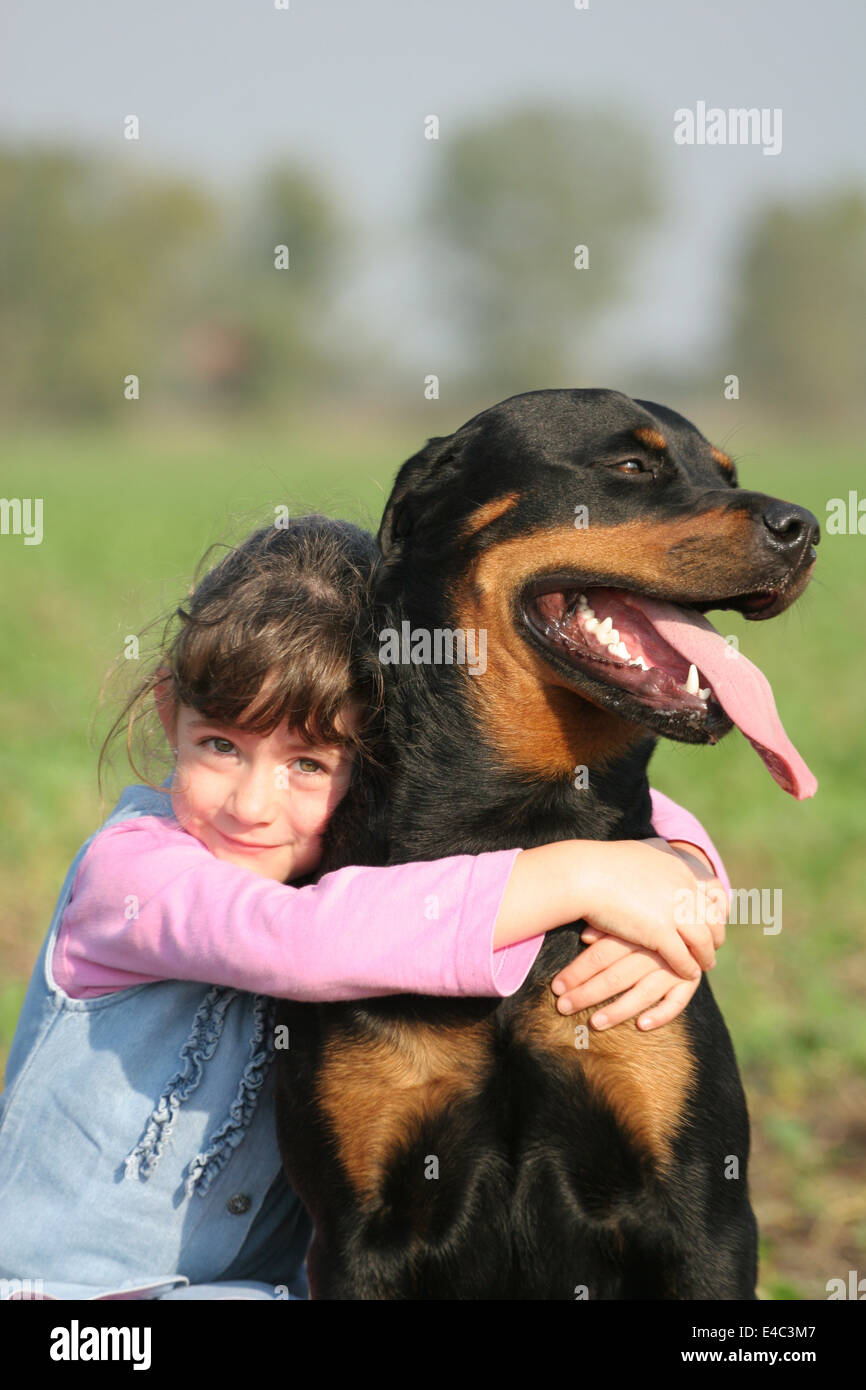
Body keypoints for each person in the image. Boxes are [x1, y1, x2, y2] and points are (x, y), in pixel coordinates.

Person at [0, 514, 728, 1301]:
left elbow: (601, 804)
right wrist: (585, 876)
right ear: (170, 708)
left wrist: (681, 864)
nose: (251, 804)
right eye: (220, 746)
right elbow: (301, 943)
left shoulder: (340, 865)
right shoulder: (131, 869)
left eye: (309, 763)